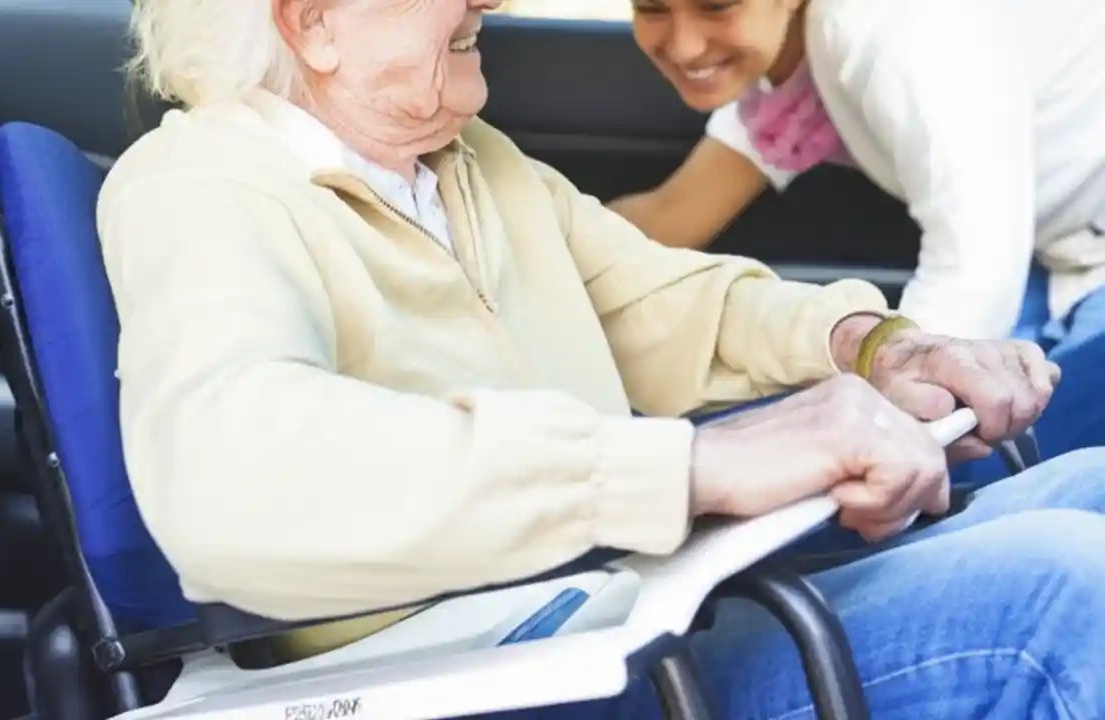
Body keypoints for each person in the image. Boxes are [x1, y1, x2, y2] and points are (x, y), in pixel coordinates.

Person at [100, 0, 1105, 716]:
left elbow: (652, 300)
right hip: (485, 672)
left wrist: (867, 344)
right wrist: (684, 468)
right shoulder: (199, 183)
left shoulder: (474, 162)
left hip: (622, 601)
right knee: (1067, 586)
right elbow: (231, 474)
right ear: (313, 20)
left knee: (1092, 490)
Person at [609, 0, 1105, 471]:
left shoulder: (898, 36)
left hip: (1062, 262)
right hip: (1056, 258)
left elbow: (976, 276)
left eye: (717, 6)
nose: (685, 45)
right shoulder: (791, 57)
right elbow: (672, 214)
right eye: (650, 7)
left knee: (989, 460)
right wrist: (543, 237)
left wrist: (873, 425)